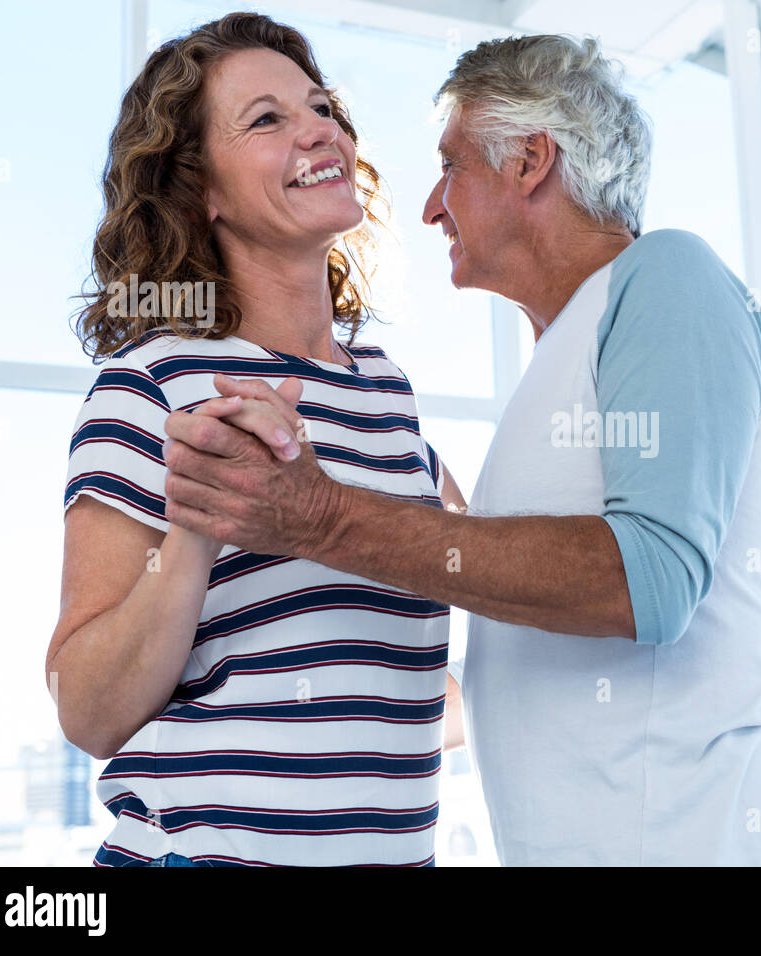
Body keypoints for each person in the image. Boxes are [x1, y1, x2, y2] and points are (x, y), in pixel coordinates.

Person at [163, 34, 761, 866]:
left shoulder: (668, 277)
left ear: (528, 160)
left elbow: (649, 580)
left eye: (452, 168)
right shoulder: (566, 354)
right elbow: (509, 592)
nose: (431, 207)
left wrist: (323, 516)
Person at [47, 12, 464, 866]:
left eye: (321, 107)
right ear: (202, 189)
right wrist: (200, 528)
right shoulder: (156, 384)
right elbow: (86, 711)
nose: (320, 130)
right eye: (267, 119)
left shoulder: (386, 391)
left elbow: (413, 677)